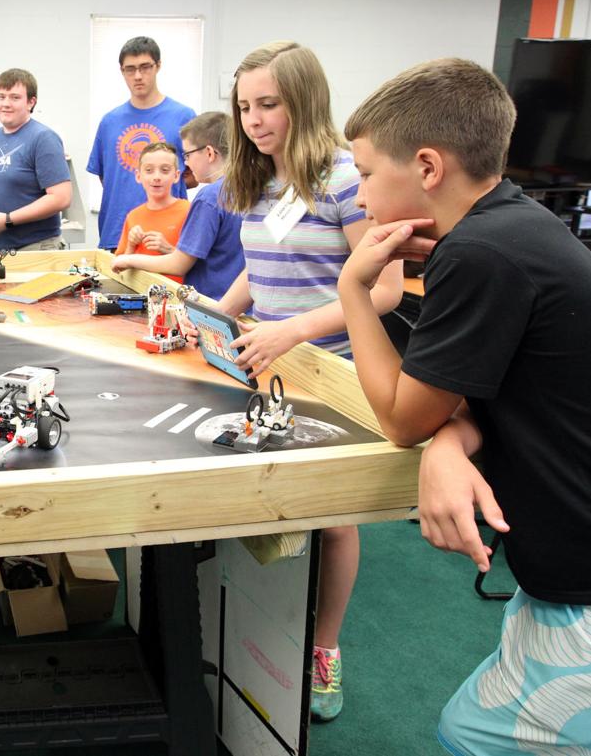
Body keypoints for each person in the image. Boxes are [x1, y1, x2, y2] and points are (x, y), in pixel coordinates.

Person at [337, 58, 591, 755]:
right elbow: (475, 394)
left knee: (471, 735)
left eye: (366, 172)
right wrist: (451, 439)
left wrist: (354, 291)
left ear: (427, 167)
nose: (358, 193)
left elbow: (404, 417)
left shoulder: (482, 253)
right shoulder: (511, 226)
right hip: (576, 572)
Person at [211, 41, 404, 722]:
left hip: (329, 370)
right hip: (267, 365)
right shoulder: (257, 179)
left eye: (269, 104)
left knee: (333, 519)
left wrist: (291, 329)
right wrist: (211, 312)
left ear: (305, 101)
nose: (255, 119)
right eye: (244, 106)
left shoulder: (347, 180)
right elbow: (258, 270)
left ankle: (325, 647)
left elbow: (384, 288)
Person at [111, 112, 244, 299]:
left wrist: (127, 259)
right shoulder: (244, 189)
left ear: (209, 153)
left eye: (188, 155)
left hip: (211, 304)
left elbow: (179, 263)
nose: (187, 163)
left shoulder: (208, 198)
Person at [88, 36, 196, 250]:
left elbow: (194, 175)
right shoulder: (109, 122)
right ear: (122, 71)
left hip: (167, 238)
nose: (138, 76)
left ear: (158, 66)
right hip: (116, 232)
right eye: (130, 69)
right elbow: (107, 177)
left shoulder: (183, 117)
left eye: (145, 67)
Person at [0, 68, 72, 252]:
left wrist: (8, 220)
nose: (6, 104)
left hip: (36, 248)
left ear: (31, 102)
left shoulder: (43, 138)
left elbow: (61, 198)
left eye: (15, 97)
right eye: (1, 97)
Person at [112, 141, 190, 283]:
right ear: (138, 176)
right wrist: (130, 244)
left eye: (165, 170)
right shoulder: (133, 216)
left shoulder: (189, 211)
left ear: (176, 176)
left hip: (178, 298)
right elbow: (119, 267)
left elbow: (201, 265)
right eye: (149, 170)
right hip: (141, 295)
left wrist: (169, 249)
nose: (157, 177)